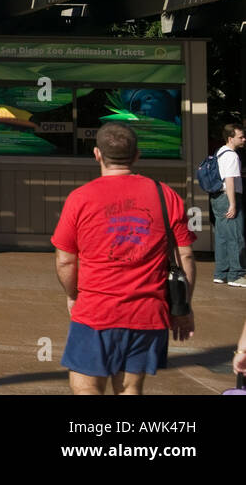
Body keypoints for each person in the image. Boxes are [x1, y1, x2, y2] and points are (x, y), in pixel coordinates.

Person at [51, 122, 196, 395]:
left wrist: (73, 294)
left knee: (86, 388)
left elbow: (65, 261)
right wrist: (183, 307)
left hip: (96, 311)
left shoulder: (80, 198)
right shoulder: (167, 196)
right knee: (130, 389)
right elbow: (185, 256)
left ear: (97, 154)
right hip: (148, 314)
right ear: (137, 155)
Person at [210, 123, 246, 286]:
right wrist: (232, 204)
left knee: (222, 236)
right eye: (241, 137)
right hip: (229, 197)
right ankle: (236, 275)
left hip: (218, 198)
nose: (244, 139)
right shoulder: (231, 155)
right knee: (236, 236)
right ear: (231, 138)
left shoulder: (219, 152)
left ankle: (221, 273)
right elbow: (230, 180)